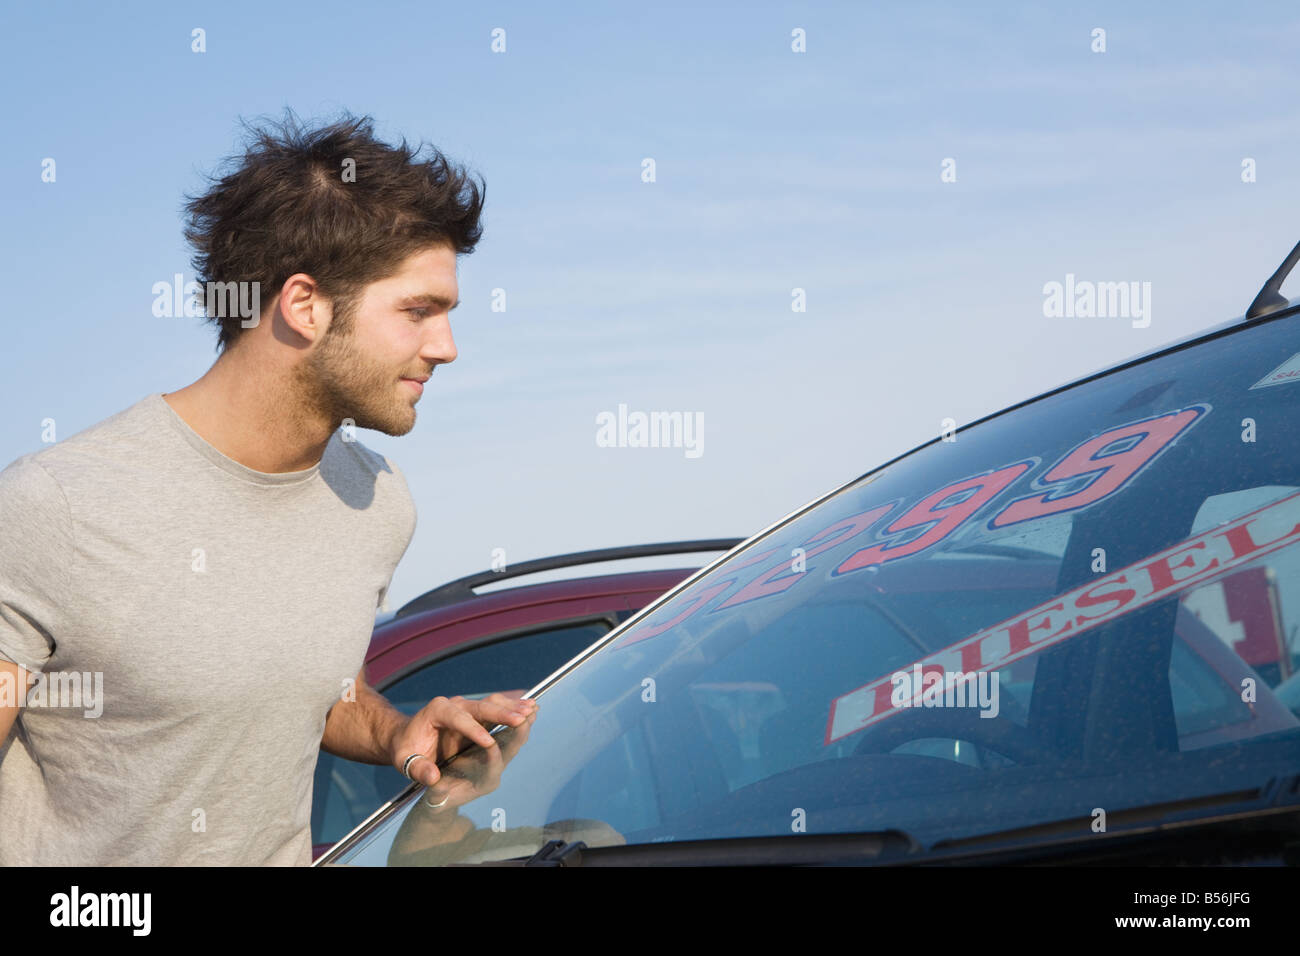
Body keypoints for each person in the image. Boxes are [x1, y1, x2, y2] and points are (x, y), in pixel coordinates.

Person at [0, 109, 534, 865]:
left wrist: (395, 733)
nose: (446, 348)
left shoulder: (376, 500)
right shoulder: (56, 505)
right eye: (419, 311)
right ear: (304, 306)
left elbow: (317, 689)